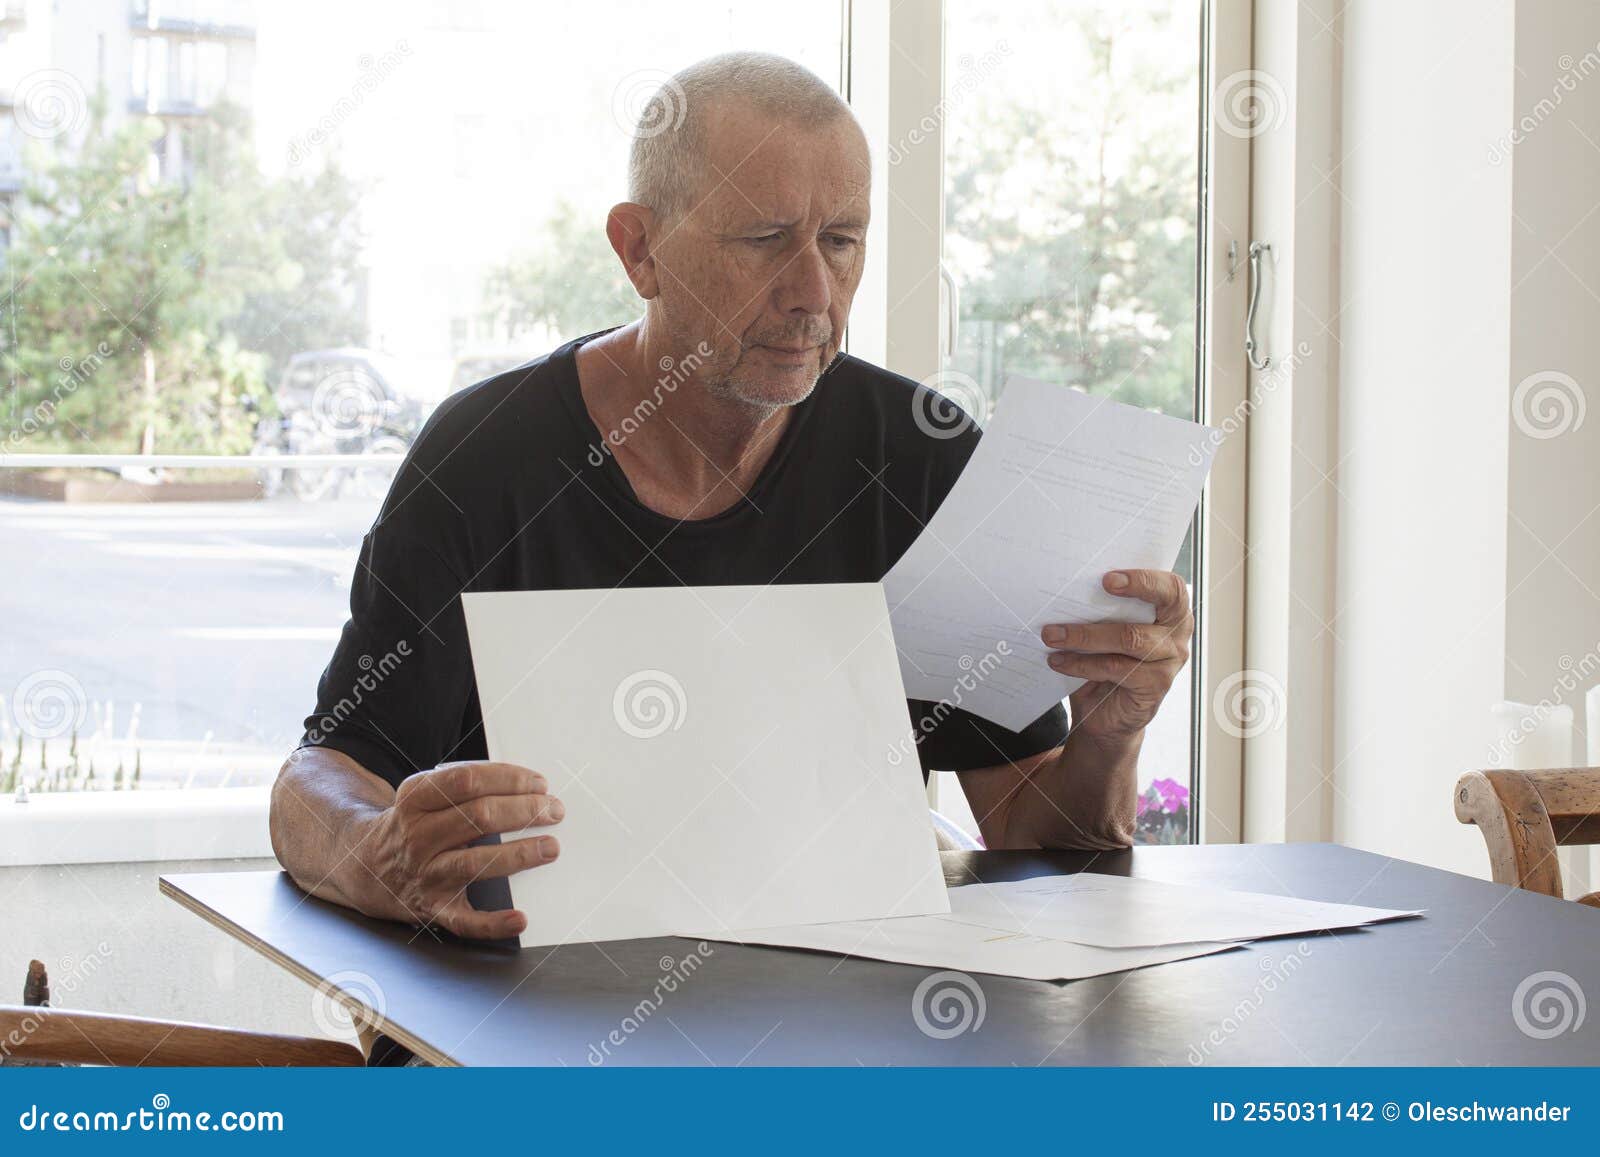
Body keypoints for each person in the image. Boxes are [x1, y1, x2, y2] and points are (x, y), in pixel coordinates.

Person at [269, 52, 1193, 943]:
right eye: (763, 241)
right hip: (521, 1014)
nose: (813, 293)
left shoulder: (917, 455)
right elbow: (317, 775)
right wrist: (370, 847)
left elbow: (1034, 833)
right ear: (640, 250)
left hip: (834, 1033)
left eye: (841, 242)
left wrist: (1110, 736)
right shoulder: (484, 457)